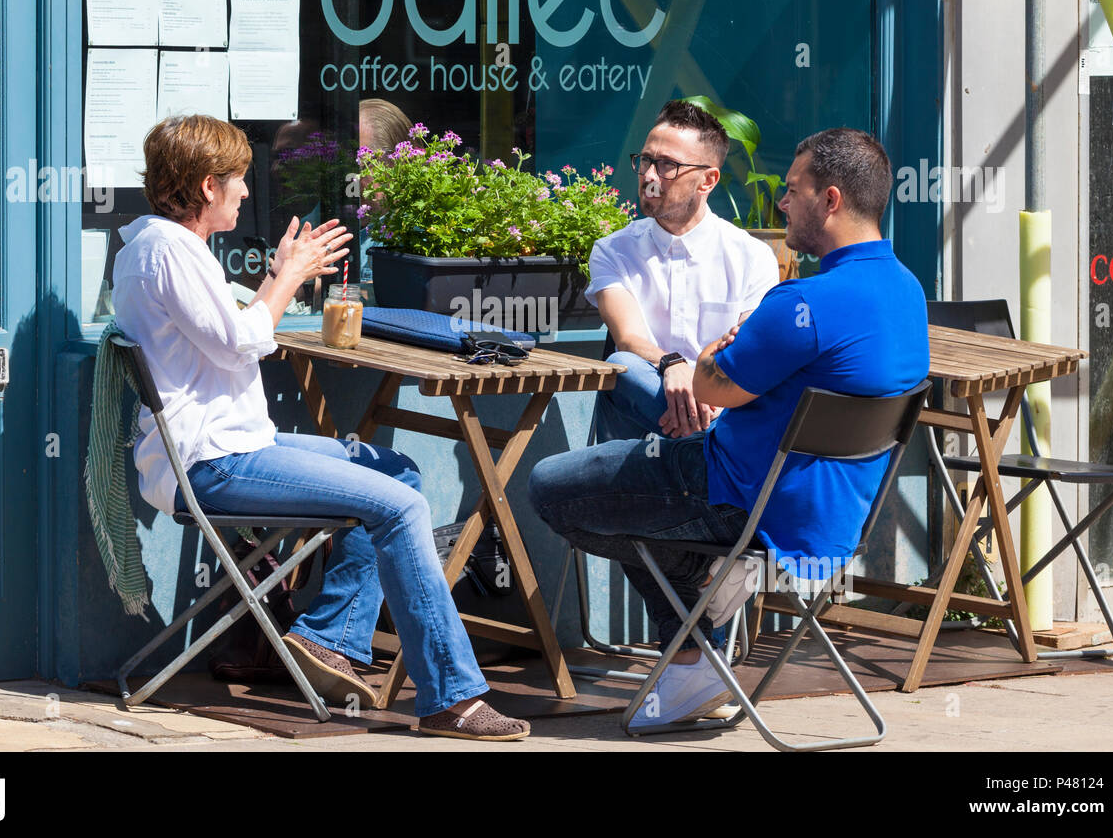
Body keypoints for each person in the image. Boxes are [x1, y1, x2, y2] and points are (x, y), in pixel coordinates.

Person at [113, 114, 529, 741]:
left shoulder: (159, 247)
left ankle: (329, 639)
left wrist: (275, 275)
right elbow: (241, 342)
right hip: (213, 462)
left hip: (232, 445)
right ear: (206, 186)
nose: (246, 191)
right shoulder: (169, 250)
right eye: (238, 179)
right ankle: (452, 699)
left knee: (395, 471)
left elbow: (227, 333)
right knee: (402, 507)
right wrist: (288, 276)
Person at [530, 128, 929, 729]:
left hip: (732, 497)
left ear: (831, 200)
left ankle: (697, 631)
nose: (782, 202)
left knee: (551, 488)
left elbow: (710, 387)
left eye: (793, 190)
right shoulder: (908, 291)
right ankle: (699, 627)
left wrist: (713, 354)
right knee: (634, 453)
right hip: (835, 519)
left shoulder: (804, 303)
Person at [587, 99, 779, 442]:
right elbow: (629, 339)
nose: (649, 176)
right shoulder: (613, 250)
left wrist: (700, 387)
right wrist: (672, 364)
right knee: (626, 366)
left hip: (719, 409)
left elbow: (746, 353)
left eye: (667, 165)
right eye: (646, 160)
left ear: (708, 180)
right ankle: (703, 448)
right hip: (639, 434)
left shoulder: (751, 257)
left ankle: (696, 448)